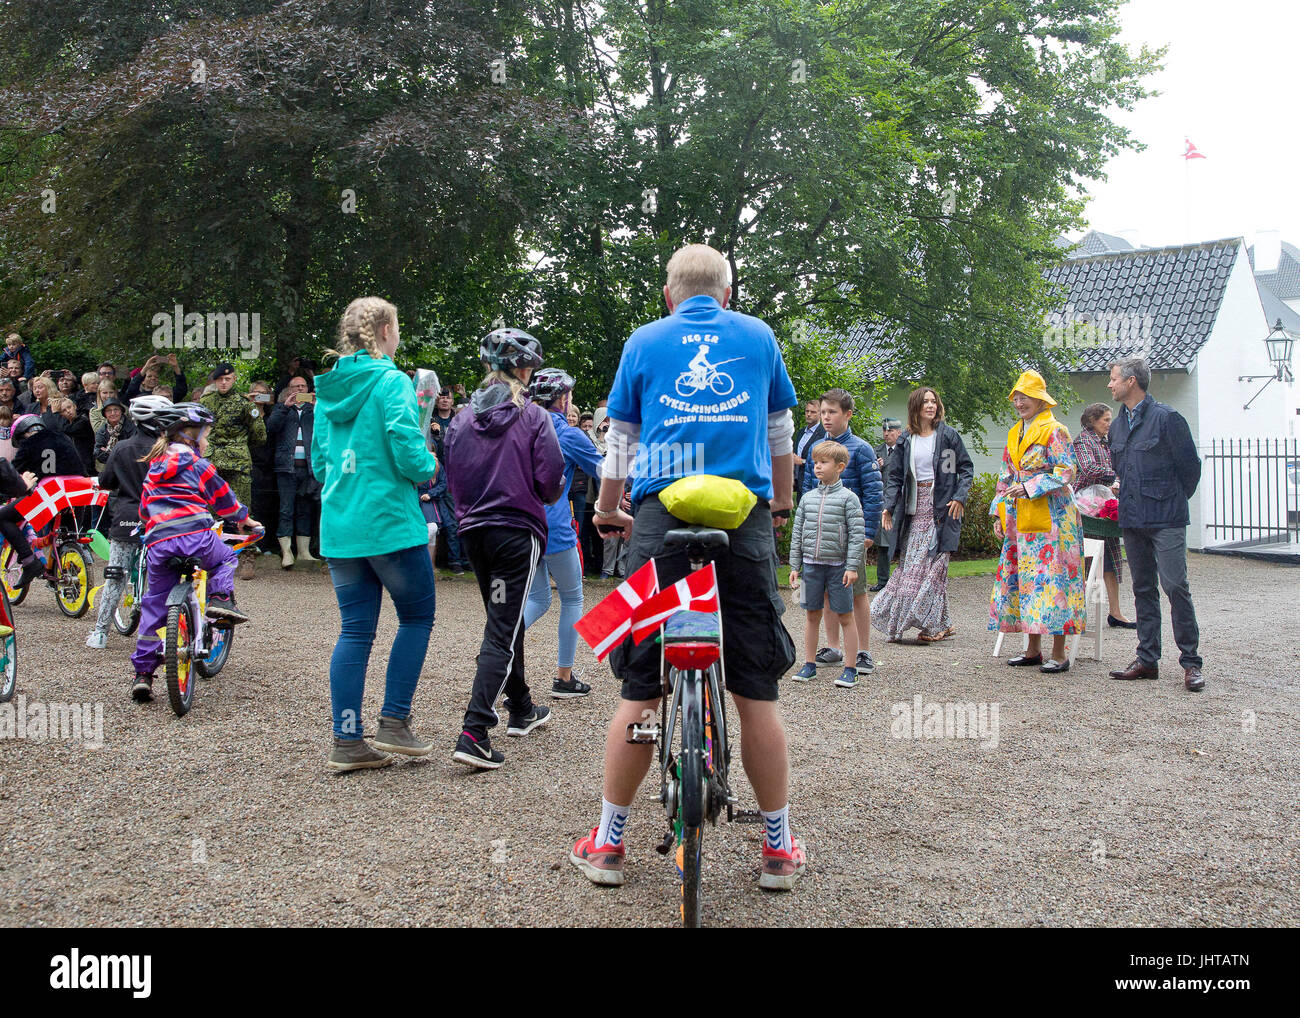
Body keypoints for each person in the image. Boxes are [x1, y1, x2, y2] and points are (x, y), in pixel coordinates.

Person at [569, 243, 804, 892]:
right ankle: (779, 848)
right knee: (756, 691)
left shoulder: (643, 341)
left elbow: (621, 442)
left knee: (642, 688)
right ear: (726, 294)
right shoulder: (758, 337)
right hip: (744, 520)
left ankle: (608, 843)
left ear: (669, 295)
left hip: (658, 522)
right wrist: (778, 503)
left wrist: (607, 510)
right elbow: (779, 430)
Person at [312, 297, 441, 770]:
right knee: (416, 618)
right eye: (399, 326)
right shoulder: (392, 382)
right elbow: (410, 454)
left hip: (341, 526)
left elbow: (320, 466)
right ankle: (393, 721)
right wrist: (430, 465)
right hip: (389, 522)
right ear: (386, 329)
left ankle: (347, 740)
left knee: (355, 631)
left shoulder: (328, 391)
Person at [446, 327, 565, 769]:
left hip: (474, 530)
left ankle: (520, 707)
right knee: (501, 626)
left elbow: (451, 474)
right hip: (515, 531)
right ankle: (475, 730)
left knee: (504, 617)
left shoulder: (460, 417)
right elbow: (550, 480)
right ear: (522, 368)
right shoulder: (533, 416)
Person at [128, 401, 259, 701]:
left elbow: (145, 508)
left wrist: (148, 527)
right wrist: (245, 519)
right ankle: (220, 599)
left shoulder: (155, 467)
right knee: (225, 557)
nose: (207, 440)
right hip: (195, 537)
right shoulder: (197, 464)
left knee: (154, 605)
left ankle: (143, 674)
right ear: (191, 435)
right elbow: (222, 497)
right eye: (206, 435)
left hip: (159, 543)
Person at [1105, 358, 1204, 692]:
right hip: (1132, 519)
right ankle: (1147, 660)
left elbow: (1190, 467)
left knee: (1175, 585)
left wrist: (1171, 498)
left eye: (1114, 379)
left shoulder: (1167, 419)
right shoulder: (1116, 426)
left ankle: (1191, 663)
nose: (1110, 384)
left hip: (1167, 518)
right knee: (1143, 589)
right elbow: (1121, 468)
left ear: (1132, 381)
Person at [989, 370, 1086, 673]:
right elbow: (1006, 473)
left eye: (1025, 397)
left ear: (1040, 400)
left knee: (1054, 580)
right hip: (1021, 516)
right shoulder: (1014, 432)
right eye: (1016, 397)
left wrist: (1032, 487)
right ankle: (1032, 649)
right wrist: (998, 510)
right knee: (1027, 579)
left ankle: (1059, 652)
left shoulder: (1055, 430)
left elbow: (1066, 470)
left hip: (1054, 517)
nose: (1019, 402)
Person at [523, 367, 605, 699]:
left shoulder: (521, 428)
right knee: (572, 597)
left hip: (523, 526)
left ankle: (497, 649)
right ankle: (564, 678)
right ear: (562, 398)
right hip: (555, 526)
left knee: (539, 599)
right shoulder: (569, 435)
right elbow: (604, 470)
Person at [871, 389, 973, 643]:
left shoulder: (948, 435)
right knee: (914, 568)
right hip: (915, 511)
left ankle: (934, 626)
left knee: (935, 566)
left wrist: (960, 496)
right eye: (925, 401)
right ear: (915, 406)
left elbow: (965, 468)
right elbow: (894, 476)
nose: (931, 405)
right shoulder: (906, 439)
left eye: (934, 401)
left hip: (943, 511)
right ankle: (943, 623)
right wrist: (888, 506)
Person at [800, 388, 882, 676]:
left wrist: (868, 532)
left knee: (856, 592)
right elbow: (808, 489)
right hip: (821, 536)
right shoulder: (816, 447)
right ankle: (833, 647)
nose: (826, 417)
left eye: (832, 412)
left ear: (847, 414)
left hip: (851, 536)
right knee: (825, 594)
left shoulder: (861, 449)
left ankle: (863, 652)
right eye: (822, 412)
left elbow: (873, 493)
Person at [85, 395, 160, 649]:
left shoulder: (122, 447)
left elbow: (106, 481)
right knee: (163, 574)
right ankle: (162, 633)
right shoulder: (166, 449)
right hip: (160, 517)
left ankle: (100, 633)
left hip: (128, 514)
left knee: (116, 573)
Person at [789, 441, 865, 688]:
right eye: (815, 462)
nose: (817, 466)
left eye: (824, 462)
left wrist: (852, 566)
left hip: (838, 567)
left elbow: (856, 535)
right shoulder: (808, 499)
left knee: (845, 616)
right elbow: (797, 533)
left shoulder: (849, 499)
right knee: (812, 615)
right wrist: (794, 565)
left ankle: (851, 668)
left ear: (840, 467)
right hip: (812, 566)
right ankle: (809, 664)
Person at [200, 362, 266, 580]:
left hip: (237, 464)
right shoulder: (205, 402)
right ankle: (208, 555)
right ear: (215, 380)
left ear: (235, 379)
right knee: (209, 514)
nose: (224, 382)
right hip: (211, 465)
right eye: (220, 379)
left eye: (228, 379)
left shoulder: (246, 404)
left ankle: (247, 556)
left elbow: (260, 435)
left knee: (242, 513)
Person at [1072, 402, 1134, 629]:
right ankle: (1080, 612)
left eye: (1110, 419)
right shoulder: (1082, 441)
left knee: (1112, 558)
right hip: (1086, 507)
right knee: (1086, 560)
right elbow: (1088, 469)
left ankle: (1115, 612)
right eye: (1105, 420)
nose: (1110, 424)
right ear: (1092, 420)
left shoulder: (1107, 442)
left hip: (1103, 504)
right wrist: (1116, 475)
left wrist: (1115, 479)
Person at [266, 375, 321, 568]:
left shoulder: (314, 409)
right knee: (286, 509)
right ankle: (286, 552)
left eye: (302, 386)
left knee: (305, 509)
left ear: (308, 389)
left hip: (309, 468)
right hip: (285, 468)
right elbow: (271, 428)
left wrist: (317, 406)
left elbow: (327, 429)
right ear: (289, 390)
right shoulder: (282, 408)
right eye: (295, 386)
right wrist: (285, 406)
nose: (299, 389)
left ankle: (304, 553)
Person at [427, 387, 467, 573]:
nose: (444, 400)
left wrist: (465, 396)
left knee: (461, 520)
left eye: (447, 398)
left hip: (458, 476)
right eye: (441, 397)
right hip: (433, 476)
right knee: (445, 522)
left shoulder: (459, 420)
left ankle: (462, 560)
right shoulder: (429, 419)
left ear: (452, 401)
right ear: (436, 401)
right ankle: (452, 561)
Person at [869, 418, 904, 590]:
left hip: (901, 503)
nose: (886, 434)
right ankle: (883, 582)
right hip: (883, 504)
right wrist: (876, 467)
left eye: (891, 431)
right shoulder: (877, 451)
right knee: (883, 543)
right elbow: (870, 476)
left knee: (903, 543)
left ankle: (904, 582)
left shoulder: (905, 450)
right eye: (885, 430)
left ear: (899, 432)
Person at [792, 399, 824, 494]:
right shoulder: (801, 433)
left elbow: (825, 461)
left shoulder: (824, 434)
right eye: (807, 411)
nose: (809, 414)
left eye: (813, 412)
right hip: (798, 482)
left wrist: (802, 461)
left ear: (820, 414)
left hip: (814, 483)